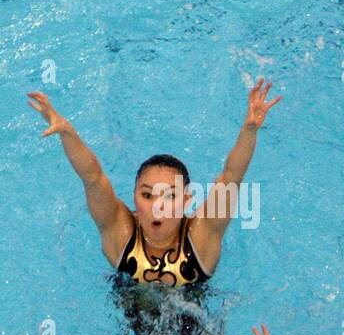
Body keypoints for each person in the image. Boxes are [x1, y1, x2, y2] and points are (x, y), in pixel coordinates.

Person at [27, 81, 279, 287]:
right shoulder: (120, 231)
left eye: (169, 196)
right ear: (134, 197)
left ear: (186, 201)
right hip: (132, 323)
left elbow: (230, 177)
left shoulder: (202, 235)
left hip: (198, 331)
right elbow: (92, 177)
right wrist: (67, 133)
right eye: (147, 195)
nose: (157, 206)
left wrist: (249, 131)